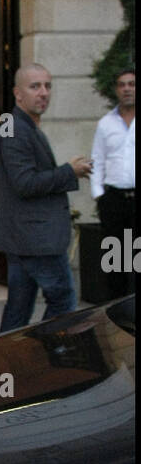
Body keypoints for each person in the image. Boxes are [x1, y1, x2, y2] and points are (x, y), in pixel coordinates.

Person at [0, 63, 93, 332]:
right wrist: (68, 172)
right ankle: (45, 357)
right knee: (63, 300)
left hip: (26, 237)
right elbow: (24, 183)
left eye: (48, 86)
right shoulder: (14, 127)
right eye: (35, 86)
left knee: (18, 310)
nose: (44, 92)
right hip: (36, 239)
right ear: (18, 94)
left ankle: (8, 364)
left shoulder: (22, 125)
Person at [91, 65, 135, 300]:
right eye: (122, 84)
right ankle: (115, 309)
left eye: (132, 84)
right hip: (114, 200)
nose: (127, 89)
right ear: (116, 90)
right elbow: (97, 159)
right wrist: (99, 195)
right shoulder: (105, 124)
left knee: (137, 259)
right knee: (115, 260)